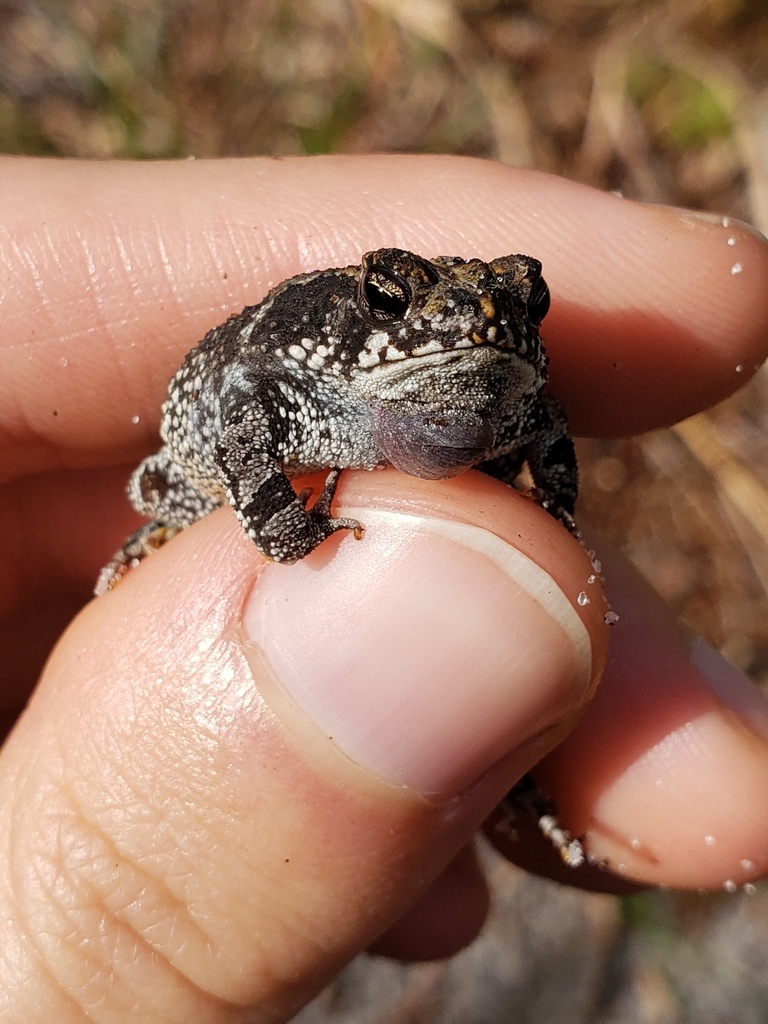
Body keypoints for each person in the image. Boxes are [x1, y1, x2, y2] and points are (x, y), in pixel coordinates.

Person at [1, 154, 767, 1020]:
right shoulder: (308, 358)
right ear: (375, 305)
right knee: (183, 507)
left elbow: (550, 429)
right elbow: (247, 397)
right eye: (397, 302)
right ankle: (175, 529)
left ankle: (516, 762)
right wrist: (288, 535)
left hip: (411, 436)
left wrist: (552, 523)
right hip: (223, 439)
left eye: (524, 304)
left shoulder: (514, 394)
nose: (480, 320)